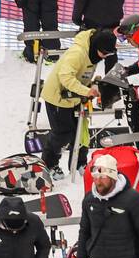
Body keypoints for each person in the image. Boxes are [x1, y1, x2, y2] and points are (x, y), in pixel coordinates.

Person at [38, 28, 118, 176]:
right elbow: (65, 77)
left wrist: (93, 84)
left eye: (109, 54)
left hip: (74, 98)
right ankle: (49, 165)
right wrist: (86, 91)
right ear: (97, 47)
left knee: (80, 133)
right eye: (105, 53)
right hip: (58, 98)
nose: (105, 57)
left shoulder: (92, 54)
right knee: (62, 134)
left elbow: (83, 75)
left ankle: (79, 163)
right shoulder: (77, 53)